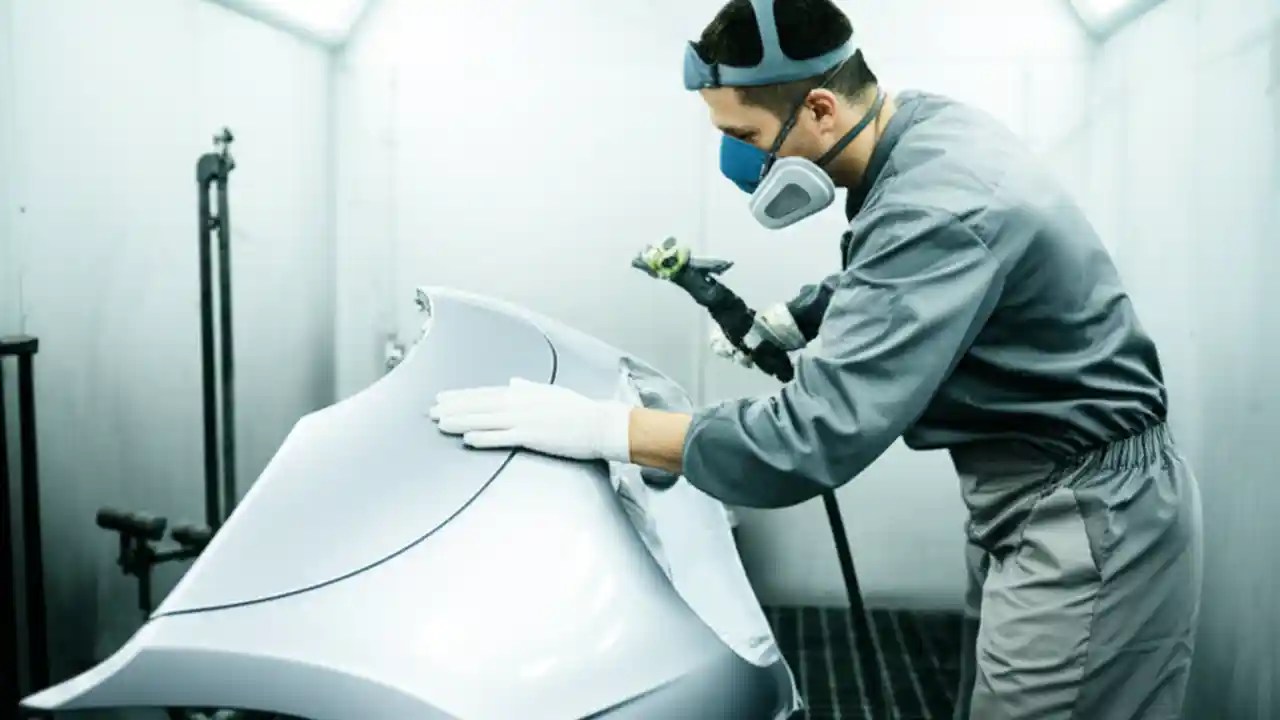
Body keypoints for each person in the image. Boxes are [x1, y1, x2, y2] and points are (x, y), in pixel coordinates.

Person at [428, 0, 1204, 717]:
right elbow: (894, 270)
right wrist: (799, 315)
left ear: (821, 108)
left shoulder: (938, 202)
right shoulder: (921, 132)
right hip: (1028, 489)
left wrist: (607, 428)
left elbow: (808, 439)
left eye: (746, 139)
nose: (739, 166)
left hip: (1089, 512)